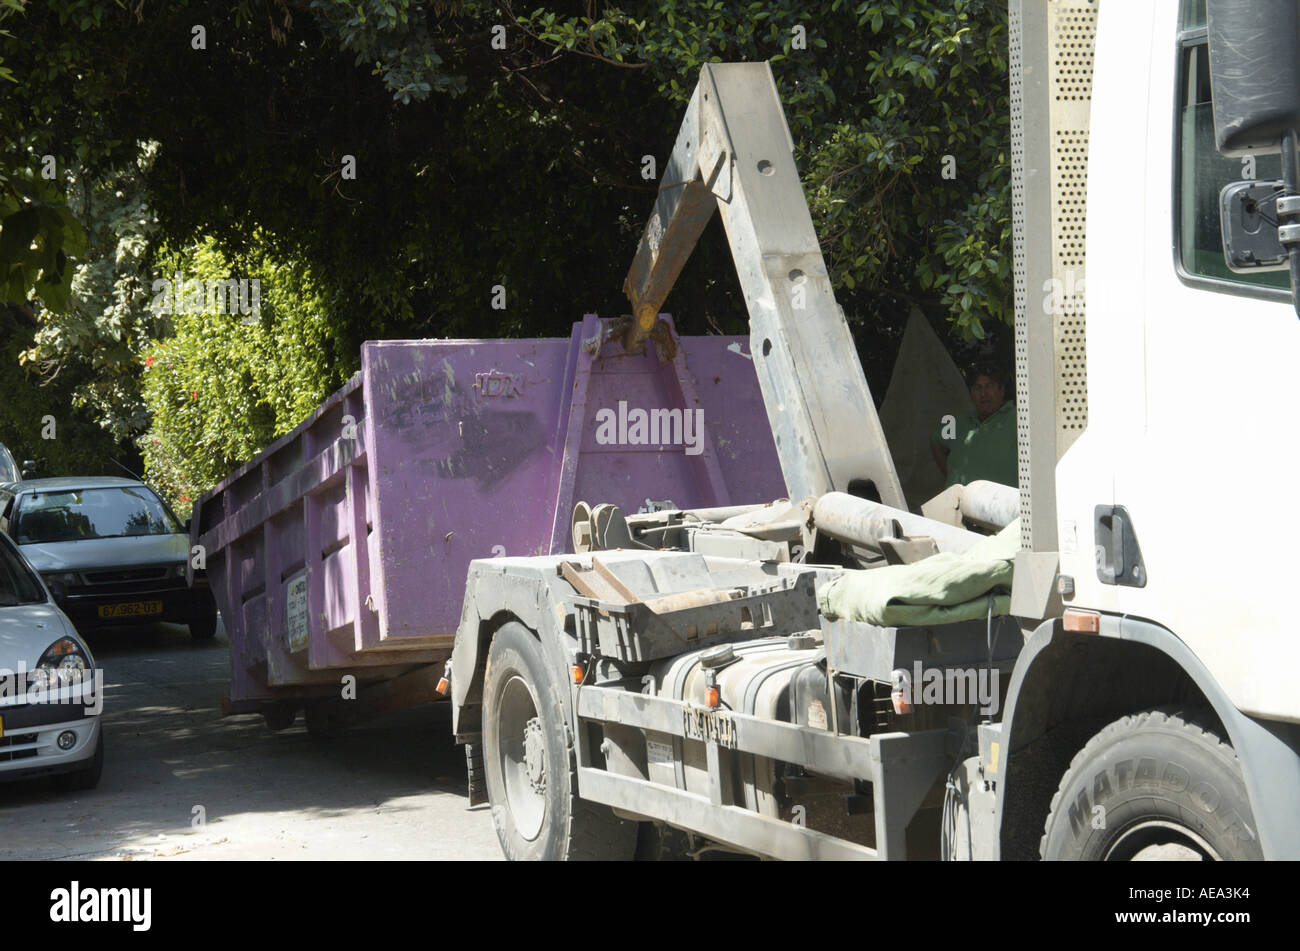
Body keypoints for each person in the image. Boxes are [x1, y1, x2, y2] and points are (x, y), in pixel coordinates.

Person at [930, 364, 1018, 489]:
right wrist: (950, 474)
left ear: (1001, 390)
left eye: (989, 386)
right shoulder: (959, 422)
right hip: (956, 504)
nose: (983, 393)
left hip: (1000, 504)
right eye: (978, 387)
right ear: (971, 393)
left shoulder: (1018, 418)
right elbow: (935, 440)